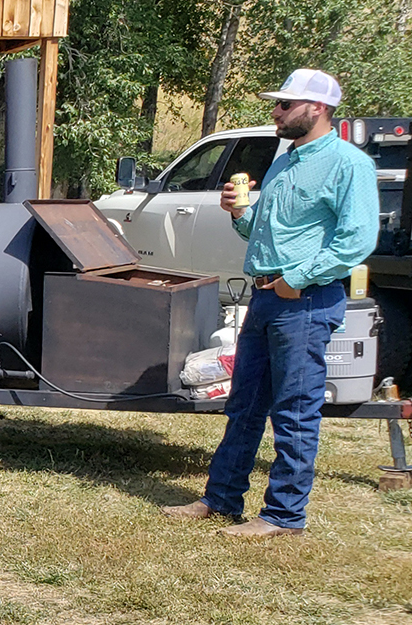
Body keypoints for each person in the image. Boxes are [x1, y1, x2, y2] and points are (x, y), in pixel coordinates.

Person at [162, 68, 379, 537]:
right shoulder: (285, 160)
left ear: (317, 109)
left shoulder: (349, 165)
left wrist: (295, 280)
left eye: (285, 104)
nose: (276, 112)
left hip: (305, 302)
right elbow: (259, 228)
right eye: (277, 104)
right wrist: (239, 212)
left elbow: (356, 241)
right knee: (244, 405)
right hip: (265, 298)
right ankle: (221, 500)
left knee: (294, 411)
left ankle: (283, 518)